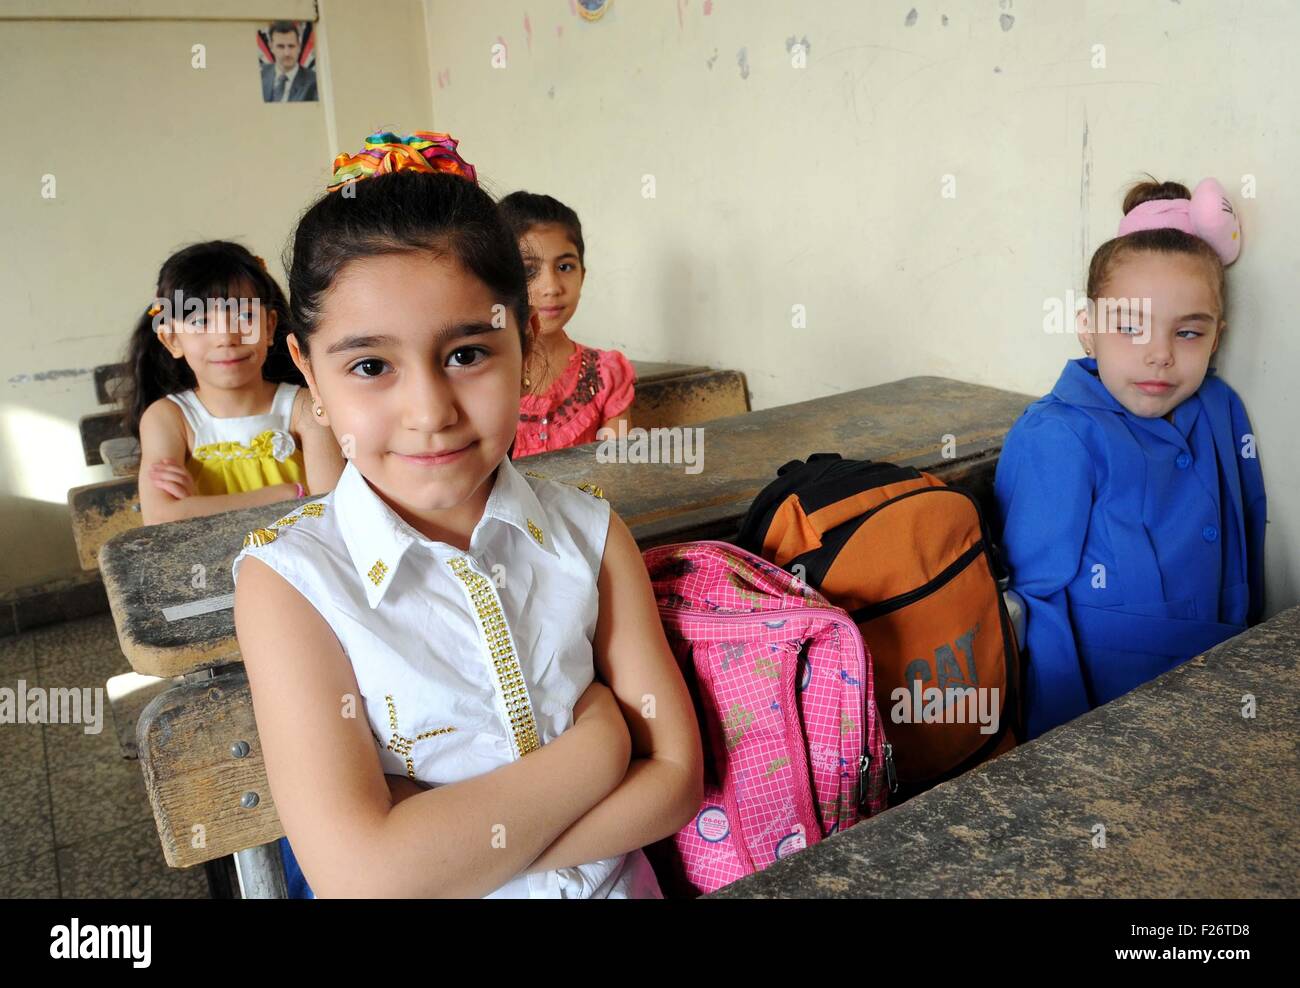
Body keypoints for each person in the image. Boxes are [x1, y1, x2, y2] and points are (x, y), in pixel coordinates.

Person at [231, 132, 703, 898]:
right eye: (370, 366)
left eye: (466, 354)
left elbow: (677, 780)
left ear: (523, 339)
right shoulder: (294, 584)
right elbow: (364, 877)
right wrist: (600, 747)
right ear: (309, 373)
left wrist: (441, 844)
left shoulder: (589, 535)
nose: (429, 412)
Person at [995, 177, 1266, 739]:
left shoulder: (1220, 408)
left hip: (1218, 682)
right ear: (1088, 329)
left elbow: (1244, 539)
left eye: (1188, 332)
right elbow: (1034, 598)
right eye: (1129, 326)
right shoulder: (1058, 436)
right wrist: (1059, 741)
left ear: (1217, 338)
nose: (1161, 354)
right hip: (1106, 705)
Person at [123, 240, 343, 526]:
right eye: (201, 321)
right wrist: (290, 493)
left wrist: (195, 507)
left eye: (244, 316)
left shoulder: (305, 408)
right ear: (172, 340)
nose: (226, 337)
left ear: (269, 327)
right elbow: (160, 517)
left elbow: (331, 509)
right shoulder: (168, 418)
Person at [498, 191, 636, 457]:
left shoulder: (605, 374)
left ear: (582, 276)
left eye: (565, 267)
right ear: (499, 280)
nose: (551, 287)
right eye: (528, 270)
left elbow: (620, 474)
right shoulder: (478, 372)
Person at [261, 21, 317, 102]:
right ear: (271, 47)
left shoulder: (314, 82)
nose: (287, 53)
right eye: (280, 46)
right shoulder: (260, 74)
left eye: (291, 46)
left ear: (299, 47)